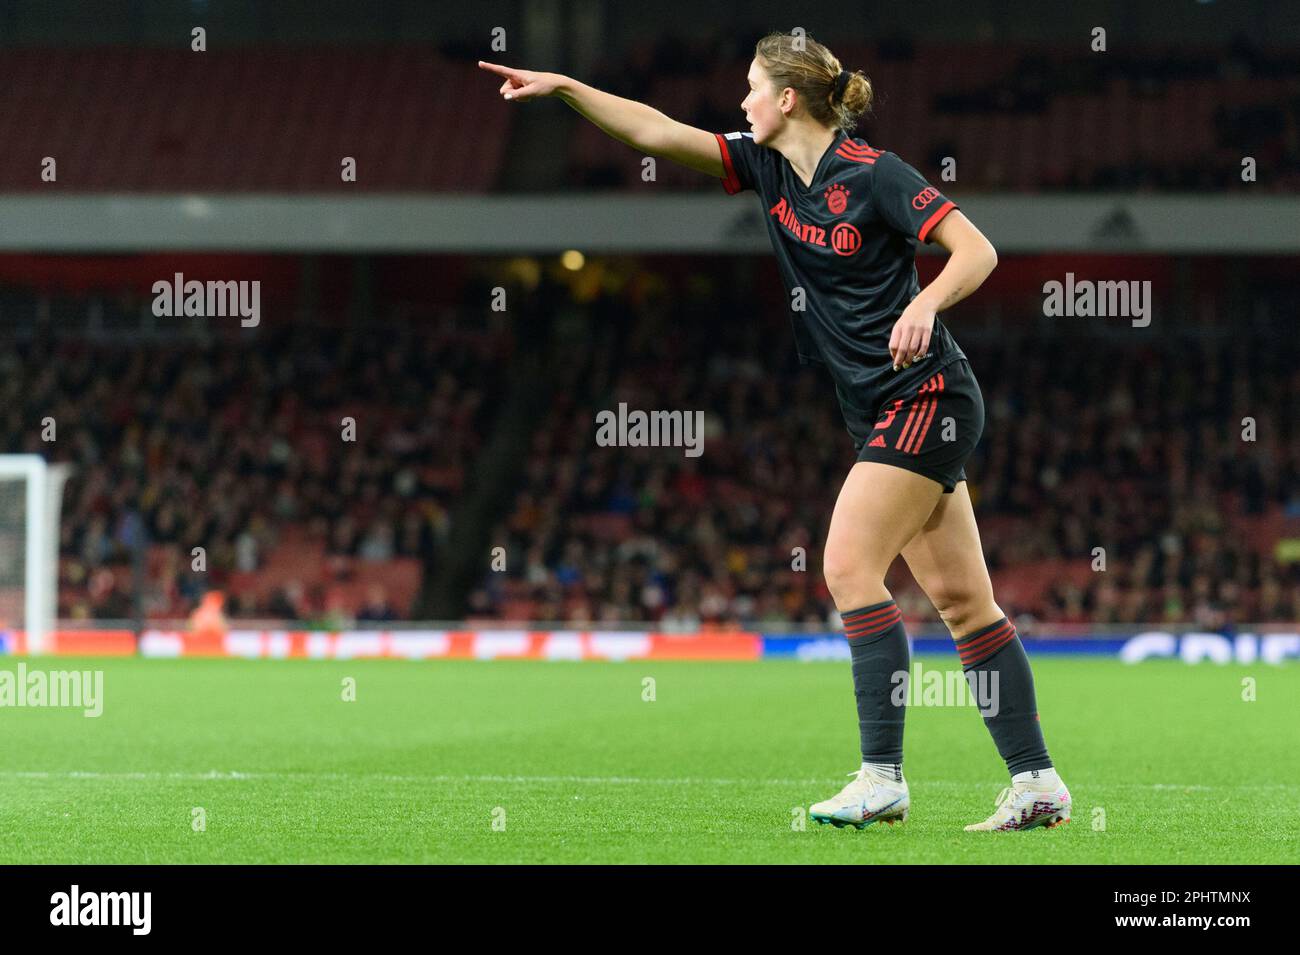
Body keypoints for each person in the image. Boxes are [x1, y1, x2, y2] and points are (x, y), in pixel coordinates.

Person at [479, 30, 1071, 833]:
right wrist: (566, 87)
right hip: (880, 403)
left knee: (848, 566)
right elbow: (655, 131)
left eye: (752, 87)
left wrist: (927, 301)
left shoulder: (876, 175)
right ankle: (1036, 780)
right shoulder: (764, 165)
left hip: (926, 393)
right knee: (968, 605)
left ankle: (881, 776)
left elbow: (978, 249)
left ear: (788, 98)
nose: (743, 101)